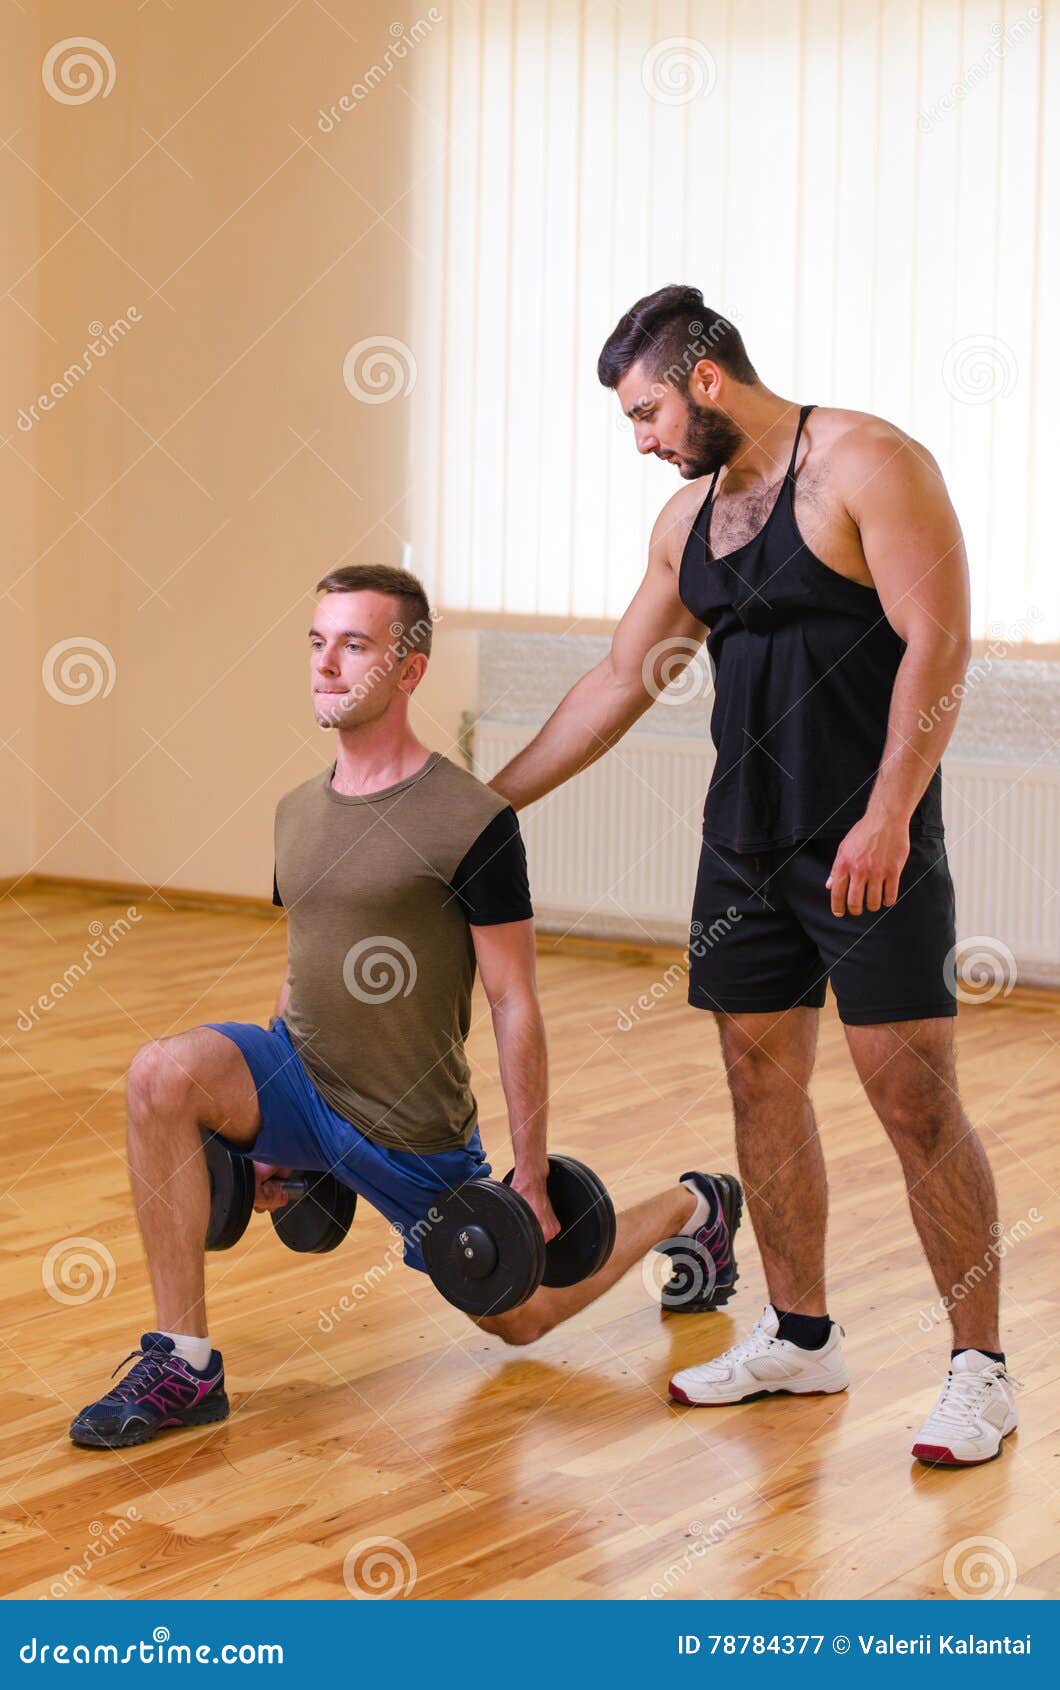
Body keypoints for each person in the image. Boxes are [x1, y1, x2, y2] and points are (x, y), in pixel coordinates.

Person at [487, 286, 1019, 1467]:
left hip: (870, 841)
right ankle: (800, 1334)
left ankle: (977, 1370)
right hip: (743, 846)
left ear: (706, 379)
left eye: (646, 413)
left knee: (913, 1098)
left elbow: (937, 645)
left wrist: (890, 813)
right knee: (757, 1085)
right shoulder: (689, 523)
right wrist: (483, 805)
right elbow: (623, 677)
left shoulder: (869, 463)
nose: (643, 441)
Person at [69, 563, 741, 1450]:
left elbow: (513, 1001)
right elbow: (302, 965)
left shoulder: (471, 820)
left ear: (410, 668)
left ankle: (695, 1207)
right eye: (317, 643)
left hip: (408, 1128)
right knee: (162, 1073)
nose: (327, 665)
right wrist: (264, 1135)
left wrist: (532, 1172)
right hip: (301, 1081)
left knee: (521, 1320)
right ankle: (185, 1363)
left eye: (355, 645)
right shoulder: (293, 814)